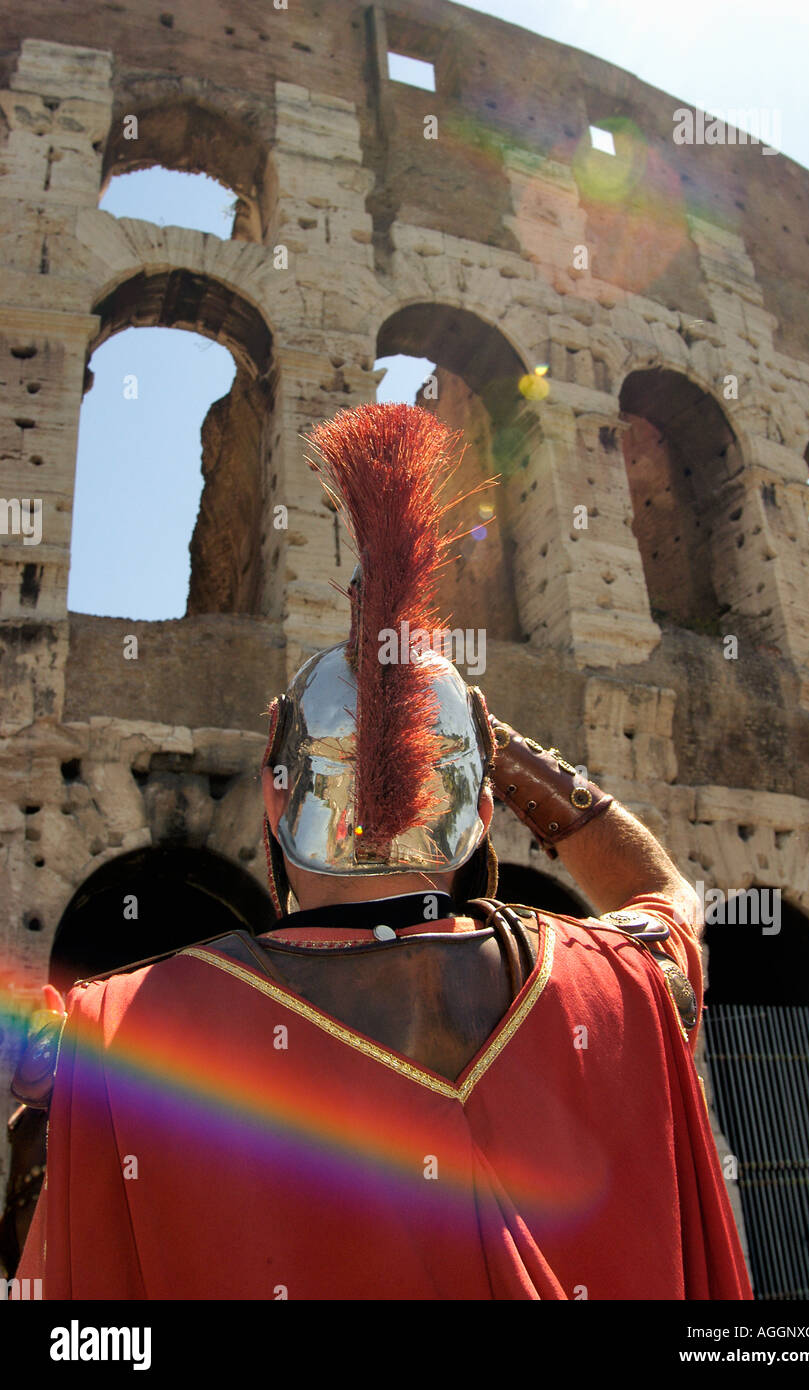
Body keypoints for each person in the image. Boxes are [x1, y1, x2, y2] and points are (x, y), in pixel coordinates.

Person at [14, 403, 751, 1300]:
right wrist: (494, 747)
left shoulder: (124, 1043)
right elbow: (667, 893)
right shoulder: (621, 983)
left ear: (272, 799)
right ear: (481, 809)